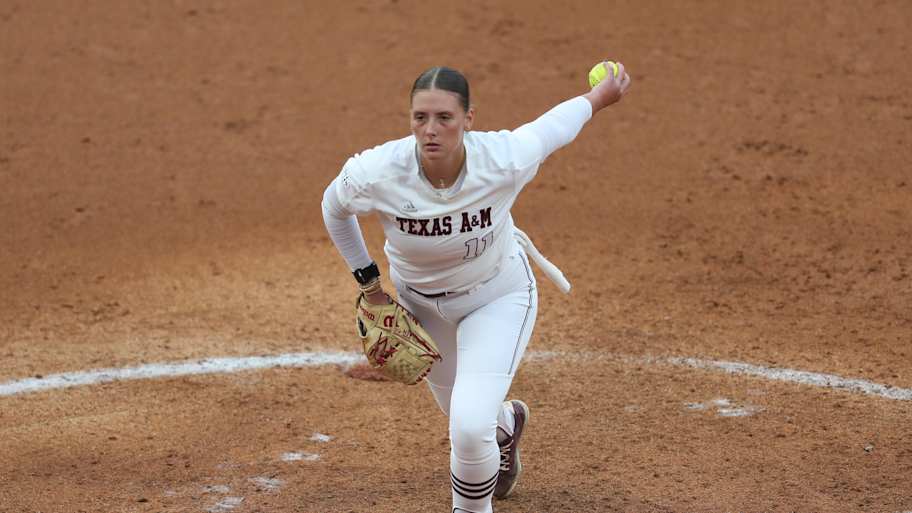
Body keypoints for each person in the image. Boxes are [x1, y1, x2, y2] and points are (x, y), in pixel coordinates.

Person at [321, 62, 631, 513]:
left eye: (444, 118)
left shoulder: (503, 158)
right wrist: (369, 284)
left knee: (467, 428)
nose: (431, 130)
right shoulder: (378, 172)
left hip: (497, 296)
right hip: (420, 307)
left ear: (469, 119)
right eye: (420, 117)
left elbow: (555, 126)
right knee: (468, 417)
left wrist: (601, 96)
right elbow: (334, 208)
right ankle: (507, 426)